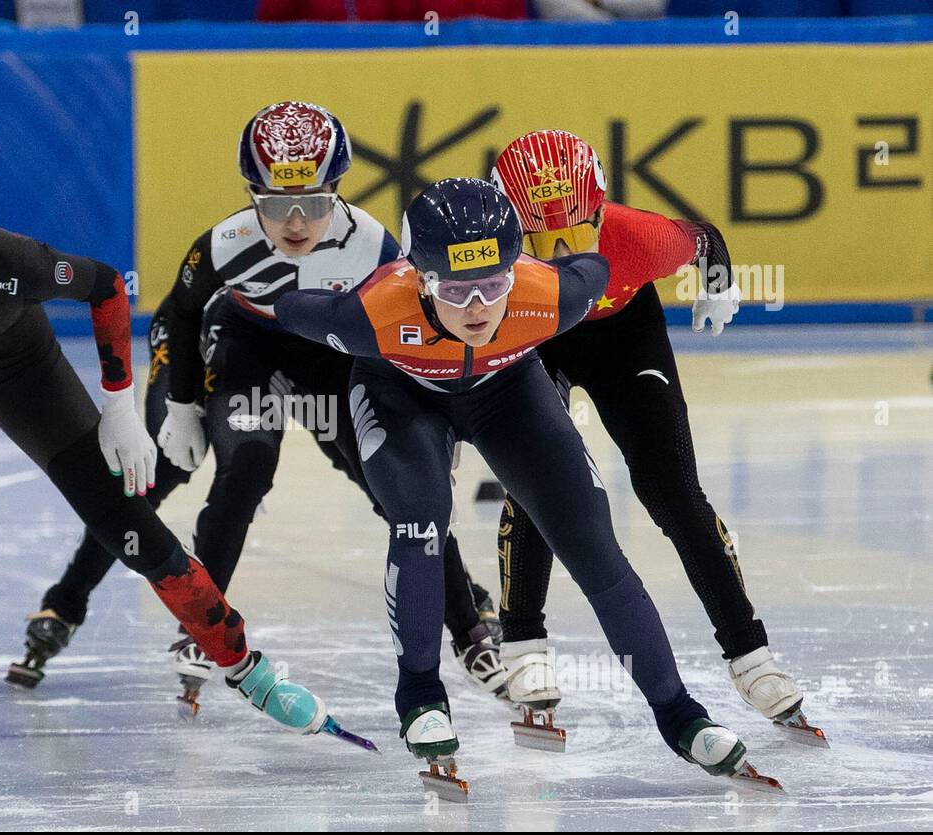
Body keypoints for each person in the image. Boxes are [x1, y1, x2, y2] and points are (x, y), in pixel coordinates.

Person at [0, 140, 369, 789]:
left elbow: (103, 286)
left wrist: (121, 406)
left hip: (22, 371)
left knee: (125, 522)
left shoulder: (8, 261)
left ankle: (244, 664)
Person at [274, 178, 779, 798]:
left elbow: (622, 255)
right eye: (456, 289)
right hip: (400, 396)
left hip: (505, 393)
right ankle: (421, 694)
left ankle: (679, 712)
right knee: (422, 524)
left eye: (494, 284)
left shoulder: (556, 295)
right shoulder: (370, 314)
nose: (478, 306)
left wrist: (710, 258)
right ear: (420, 278)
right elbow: (289, 310)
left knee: (593, 545)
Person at [17, 101, 499, 712]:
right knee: (196, 470)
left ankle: (466, 619)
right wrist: (184, 404)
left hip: (327, 357)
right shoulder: (227, 243)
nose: (295, 223)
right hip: (241, 347)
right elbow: (180, 315)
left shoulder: (373, 248)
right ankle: (70, 602)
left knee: (398, 485)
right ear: (251, 196)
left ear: (338, 193)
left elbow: (410, 334)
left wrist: (434, 425)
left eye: (315, 204)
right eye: (274, 205)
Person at [488, 129, 824, 745]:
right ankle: (523, 641)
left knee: (671, 490)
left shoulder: (637, 238)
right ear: (511, 229)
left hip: (624, 337)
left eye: (579, 233)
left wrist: (719, 286)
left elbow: (705, 239)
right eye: (544, 239)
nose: (564, 252)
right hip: (538, 340)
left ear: (600, 212)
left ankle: (750, 653)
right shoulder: (487, 254)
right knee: (538, 487)